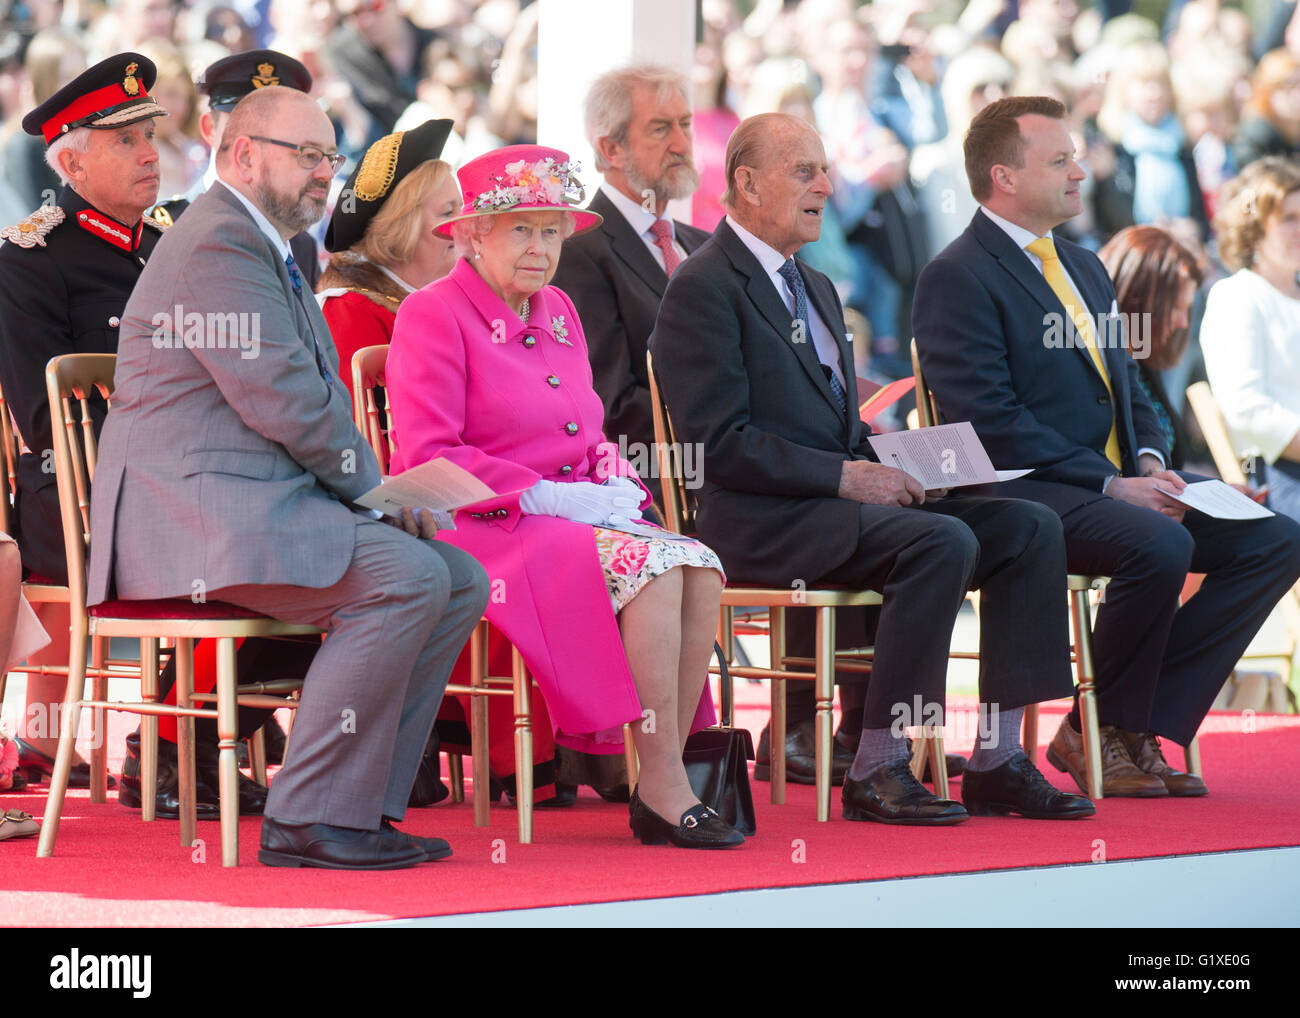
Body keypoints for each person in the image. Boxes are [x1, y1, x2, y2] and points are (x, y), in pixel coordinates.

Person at [651, 112, 1093, 825]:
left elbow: (839, 430)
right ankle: (878, 765)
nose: (827, 185)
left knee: (1028, 527)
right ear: (745, 181)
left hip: (834, 503)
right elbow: (719, 443)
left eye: (825, 170)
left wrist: (910, 458)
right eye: (805, 172)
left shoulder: (818, 286)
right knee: (939, 541)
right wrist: (849, 477)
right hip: (759, 521)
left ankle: (998, 758)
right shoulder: (703, 287)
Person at [88, 84, 489, 869]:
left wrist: (380, 498)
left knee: (461, 576)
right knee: (406, 576)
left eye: (329, 157)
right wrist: (376, 496)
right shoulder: (219, 241)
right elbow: (289, 400)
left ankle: (363, 804)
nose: (323, 174)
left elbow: (308, 400)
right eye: (307, 155)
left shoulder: (263, 241)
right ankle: (308, 818)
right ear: (242, 155)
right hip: (193, 517)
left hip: (256, 502)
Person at [912, 96, 1300, 799]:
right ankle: (1113, 726)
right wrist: (1110, 484)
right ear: (1004, 176)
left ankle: (1117, 725)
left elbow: (1135, 390)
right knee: (1158, 543)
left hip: (1127, 485)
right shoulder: (957, 274)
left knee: (1277, 540)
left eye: (1076, 156)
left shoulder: (1086, 267)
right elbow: (987, 420)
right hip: (1027, 495)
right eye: (1059, 160)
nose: (1080, 171)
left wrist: (1151, 461)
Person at [385, 144, 744, 848]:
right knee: (657, 565)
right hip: (483, 525)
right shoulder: (434, 313)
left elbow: (590, 429)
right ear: (470, 234)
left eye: (552, 231)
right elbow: (426, 457)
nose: (540, 247)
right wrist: (541, 496)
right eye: (521, 228)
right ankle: (664, 782)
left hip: (569, 518)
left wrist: (612, 478)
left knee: (695, 561)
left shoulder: (559, 310)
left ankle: (659, 776)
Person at [318, 119, 566, 806]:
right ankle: (511, 757)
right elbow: (352, 447)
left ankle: (569, 749)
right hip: (382, 507)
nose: (467, 228)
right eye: (448, 215)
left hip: (450, 495)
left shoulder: (451, 306)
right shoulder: (350, 310)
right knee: (493, 555)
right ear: (403, 227)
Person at [550, 66, 709, 503]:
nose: (681, 143)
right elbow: (611, 408)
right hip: (665, 482)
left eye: (686, 124)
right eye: (660, 128)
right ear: (612, 148)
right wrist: (728, 434)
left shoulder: (704, 245)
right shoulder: (578, 250)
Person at [148, 49, 321, 288]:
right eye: (243, 125)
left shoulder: (300, 246)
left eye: (279, 128)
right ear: (209, 129)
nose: (260, 142)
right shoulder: (164, 229)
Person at [1200, 157, 1300, 523]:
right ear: (1255, 228)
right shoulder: (1237, 295)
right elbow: (1246, 407)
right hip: (1279, 474)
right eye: (1288, 219)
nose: (1299, 229)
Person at [1097, 225, 1204, 470]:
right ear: (1139, 298)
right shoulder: (1095, 364)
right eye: (1175, 307)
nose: (1182, 322)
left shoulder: (1141, 361)